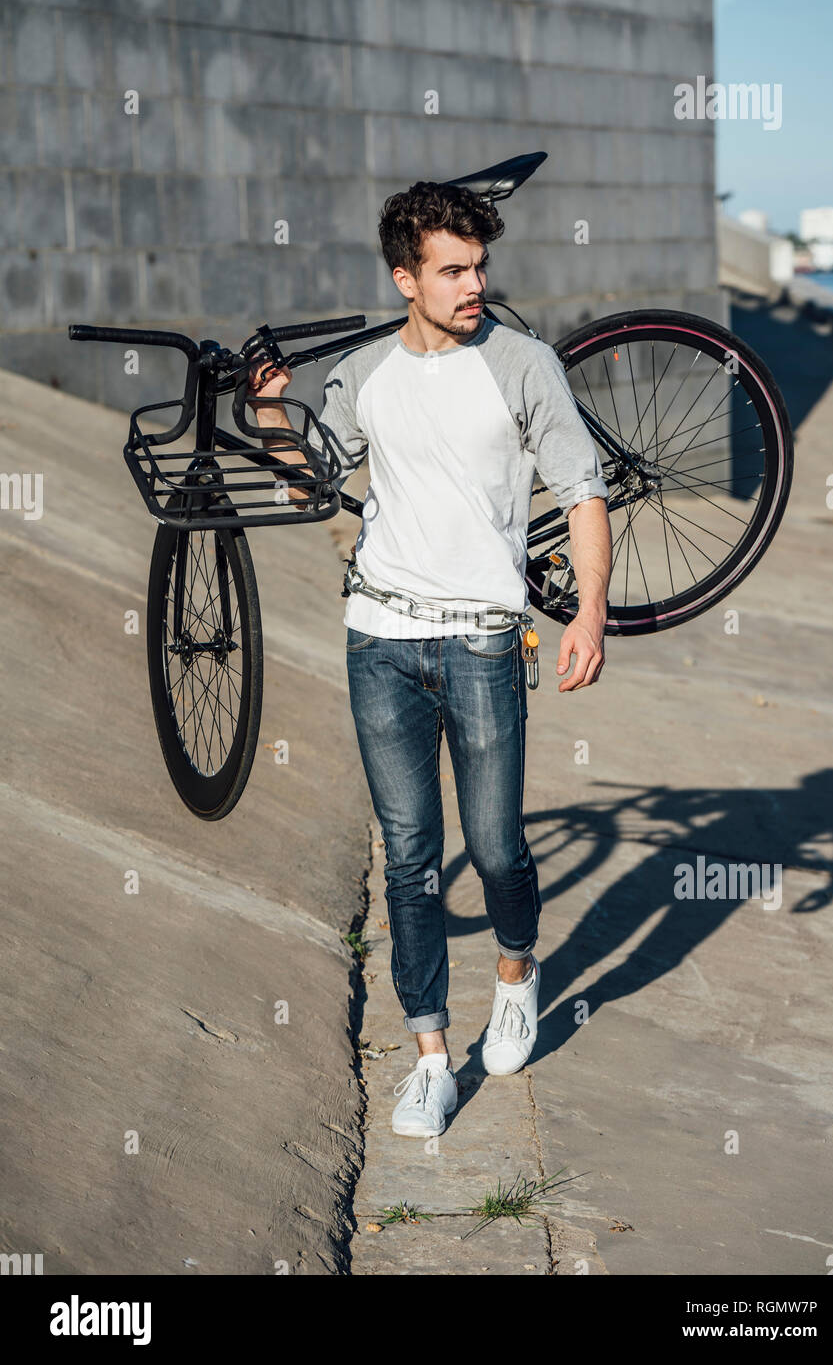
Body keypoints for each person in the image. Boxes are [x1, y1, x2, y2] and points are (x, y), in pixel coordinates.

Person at [248, 179, 611, 1139]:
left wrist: (590, 614)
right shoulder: (365, 373)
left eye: (479, 265)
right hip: (380, 638)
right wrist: (280, 419)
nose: (472, 283)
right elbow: (311, 489)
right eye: (451, 270)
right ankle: (430, 1060)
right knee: (408, 858)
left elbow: (580, 492)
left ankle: (515, 970)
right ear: (404, 278)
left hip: (485, 637)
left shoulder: (523, 364)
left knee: (494, 848)